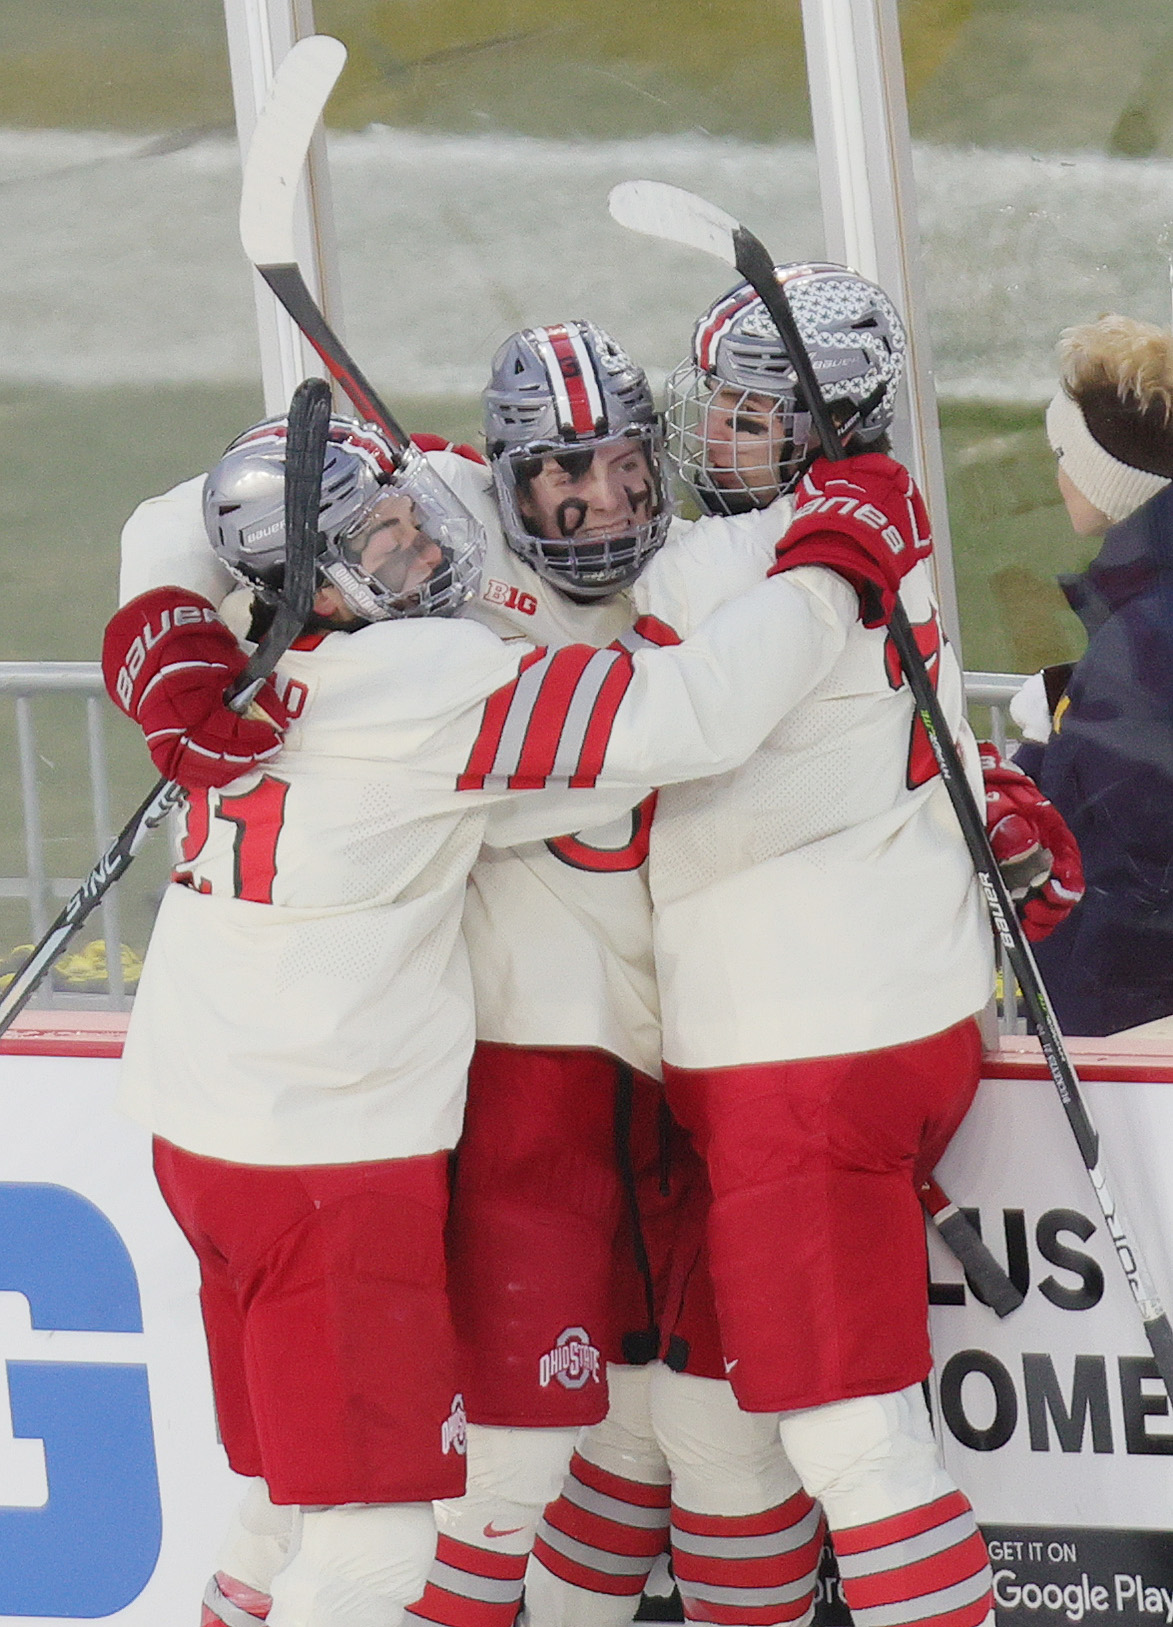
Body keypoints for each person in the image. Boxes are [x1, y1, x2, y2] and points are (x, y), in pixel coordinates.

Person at [109, 389, 931, 1627]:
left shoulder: (260, 654)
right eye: (380, 541)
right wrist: (831, 576)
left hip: (201, 1125)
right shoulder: (426, 676)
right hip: (331, 1156)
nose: (424, 546)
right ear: (319, 587)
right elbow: (695, 716)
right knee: (384, 1544)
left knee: (298, 1496)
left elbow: (183, 518)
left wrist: (159, 622)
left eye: (408, 517)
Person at [530, 262, 1080, 1627]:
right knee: (734, 1433)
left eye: (744, 412)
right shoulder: (889, 525)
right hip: (902, 1026)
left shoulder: (714, 567)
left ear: (820, 419)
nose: (710, 437)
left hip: (796, 1057)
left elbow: (626, 703)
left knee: (849, 1440)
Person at [1011, 314, 1173, 1035]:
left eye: (1064, 452)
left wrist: (1053, 740)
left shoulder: (1138, 640)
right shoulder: (1144, 613)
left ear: (1112, 476)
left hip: (1131, 1019)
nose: (1055, 473)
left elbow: (1121, 874)